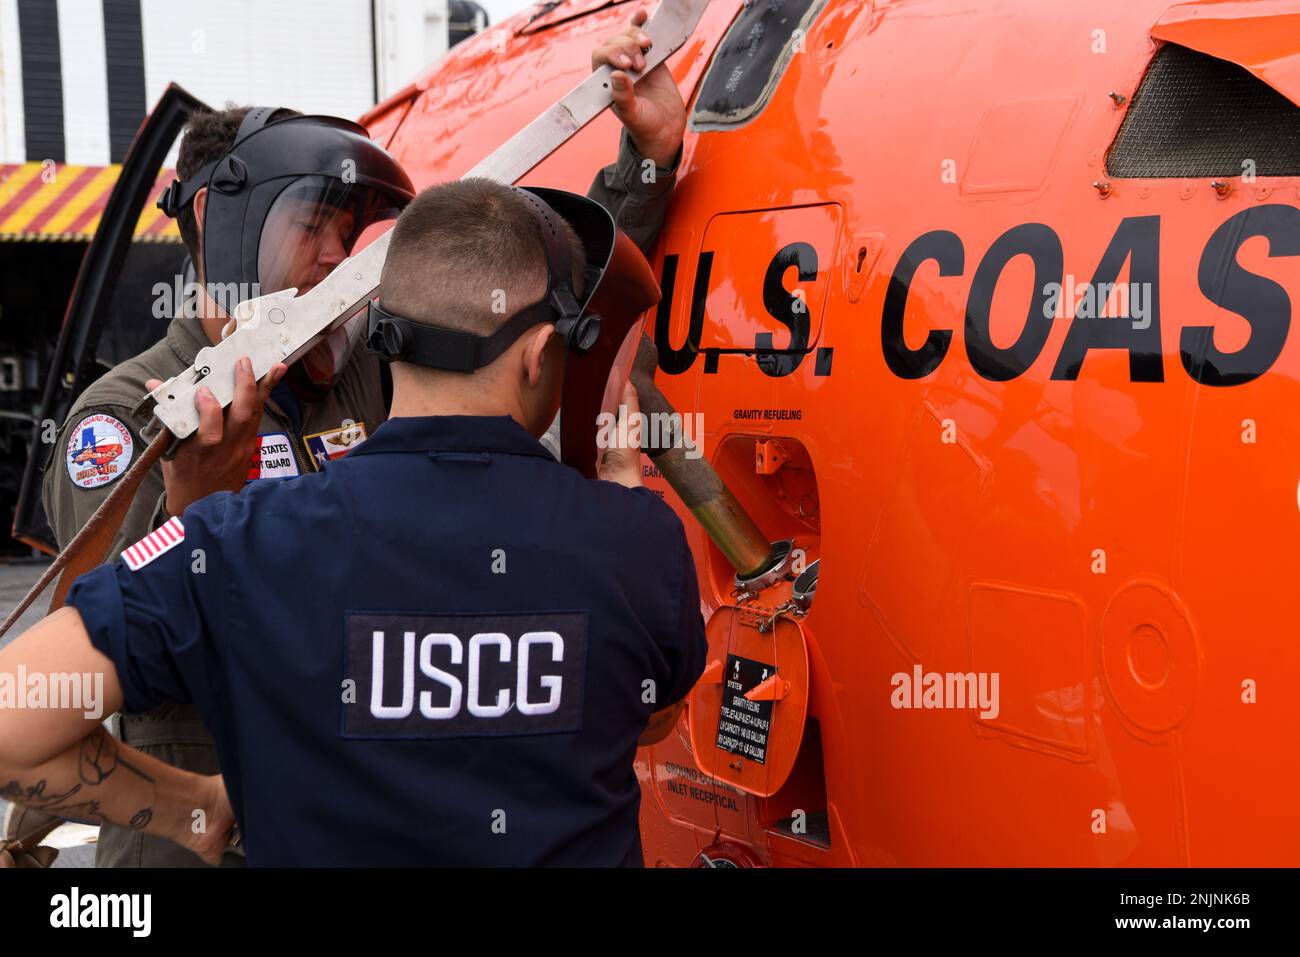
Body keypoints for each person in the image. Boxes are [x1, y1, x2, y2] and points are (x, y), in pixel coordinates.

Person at [33, 10, 688, 867]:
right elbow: (89, 657)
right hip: (190, 832)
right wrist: (196, 503)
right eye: (314, 227)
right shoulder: (129, 421)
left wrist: (646, 158)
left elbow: (521, 314)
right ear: (223, 231)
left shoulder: (364, 369)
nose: (340, 256)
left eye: (351, 233)